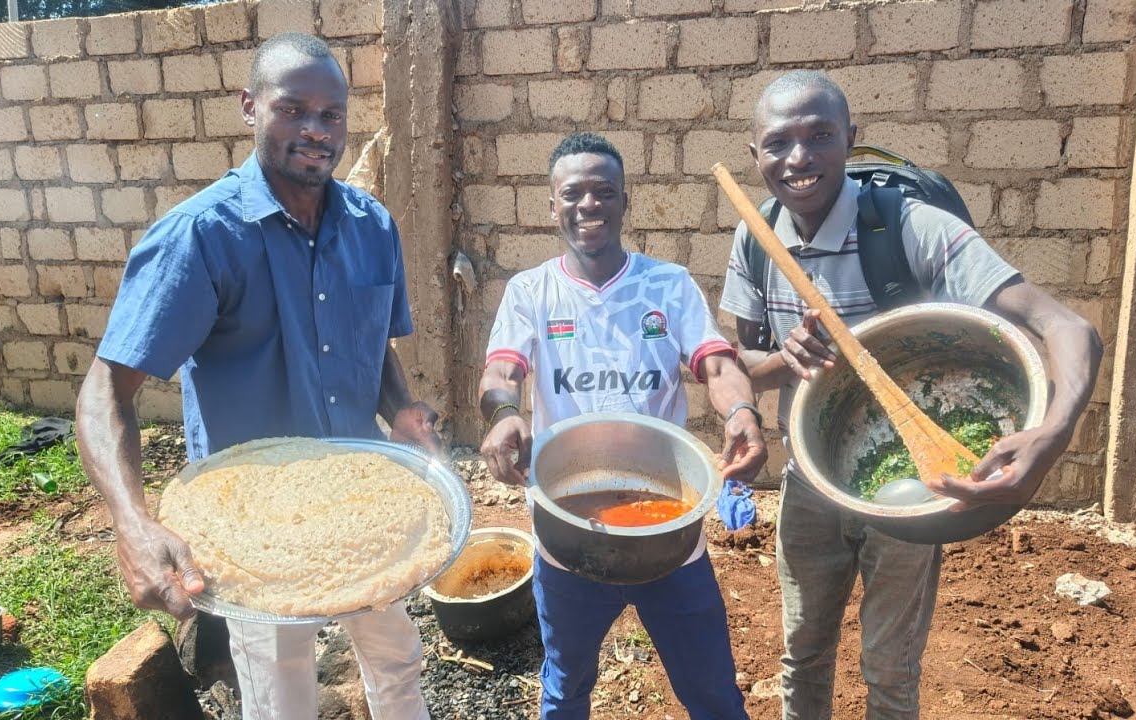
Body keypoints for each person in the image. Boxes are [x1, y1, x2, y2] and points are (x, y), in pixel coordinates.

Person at [76, 32, 440, 720]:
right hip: (251, 524)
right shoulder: (202, 237)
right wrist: (132, 523)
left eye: (331, 114)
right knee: (280, 687)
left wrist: (402, 410)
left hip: (361, 500)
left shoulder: (371, 225)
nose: (315, 130)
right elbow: (103, 393)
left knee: (394, 653)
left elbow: (374, 344)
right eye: (292, 108)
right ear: (249, 107)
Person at [719, 70, 1103, 719]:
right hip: (812, 485)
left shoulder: (910, 227)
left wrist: (1056, 429)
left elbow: (1068, 327)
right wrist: (782, 360)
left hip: (915, 486)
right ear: (755, 155)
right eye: (779, 143)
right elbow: (742, 364)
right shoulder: (755, 240)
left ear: (850, 139)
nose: (800, 158)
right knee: (802, 652)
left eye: (820, 136)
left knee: (889, 668)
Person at [479, 132, 767, 720]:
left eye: (603, 192)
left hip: (667, 527)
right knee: (565, 689)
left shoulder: (668, 285)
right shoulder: (531, 292)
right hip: (568, 530)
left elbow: (716, 364)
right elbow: (501, 370)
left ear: (624, 201)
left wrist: (741, 411)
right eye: (573, 193)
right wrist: (505, 415)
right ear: (550, 205)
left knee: (712, 692)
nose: (589, 205)